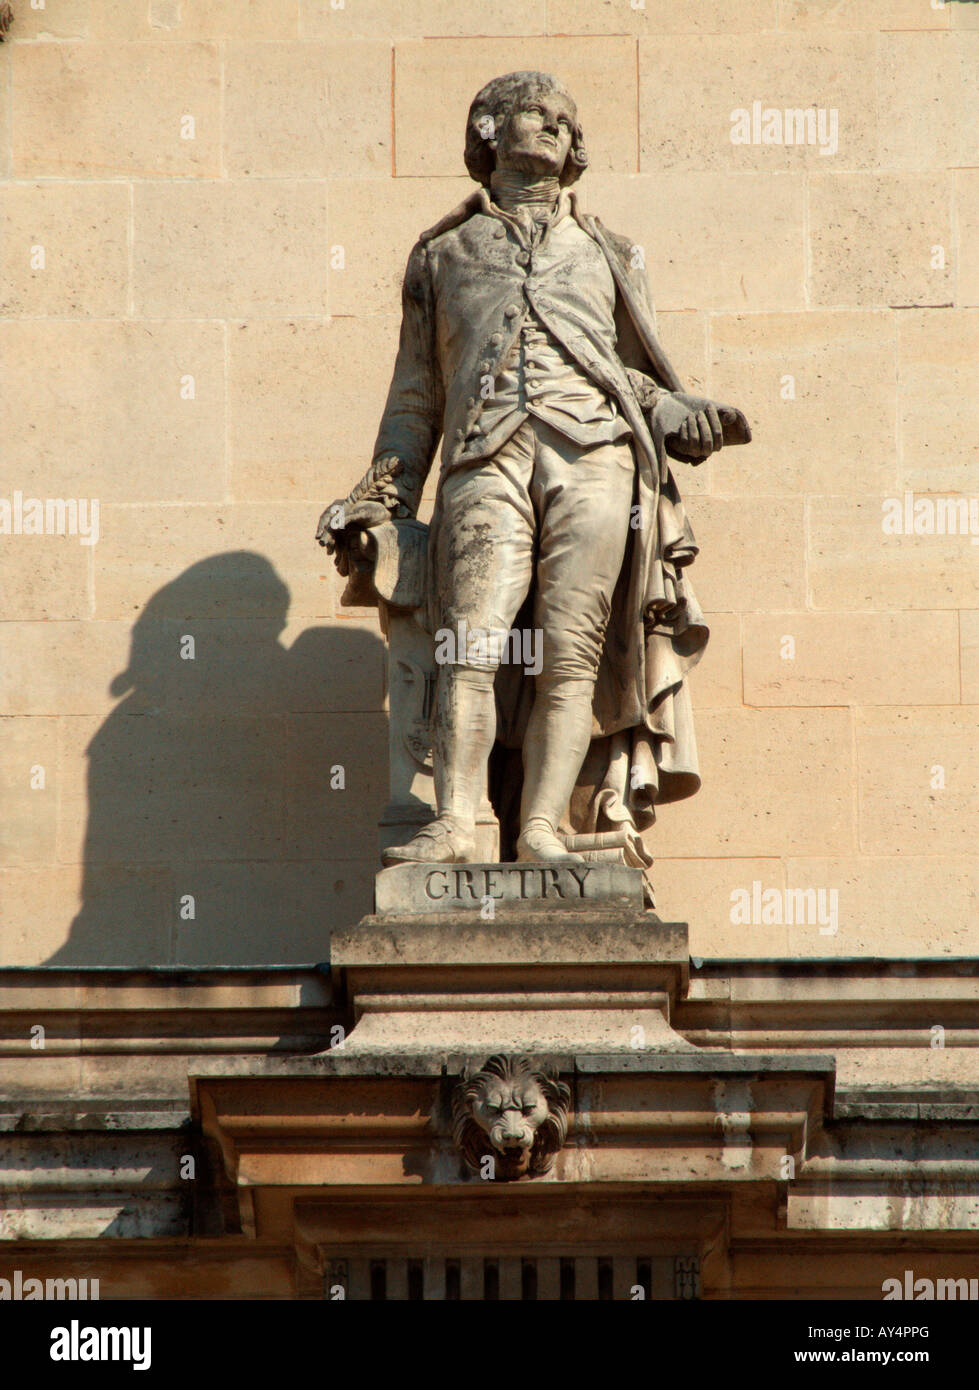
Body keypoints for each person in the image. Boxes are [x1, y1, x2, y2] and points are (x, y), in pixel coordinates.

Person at [318, 71, 749, 868]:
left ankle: (542, 829)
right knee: (470, 646)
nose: (552, 126)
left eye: (564, 119)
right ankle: (455, 820)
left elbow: (628, 372)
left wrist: (678, 413)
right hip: (484, 454)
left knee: (570, 654)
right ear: (487, 129)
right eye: (532, 112)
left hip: (595, 458)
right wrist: (382, 496)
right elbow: (417, 395)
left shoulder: (606, 250)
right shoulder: (441, 253)